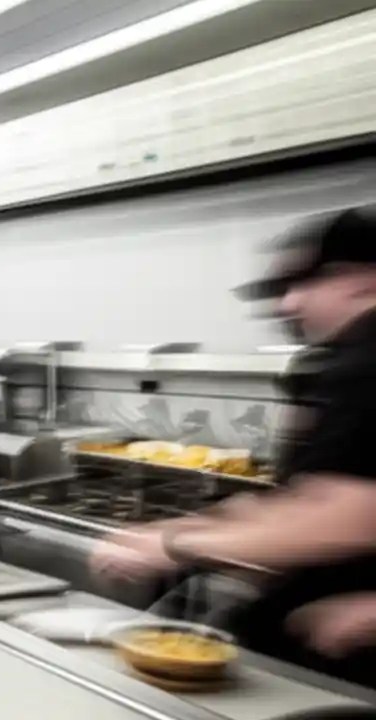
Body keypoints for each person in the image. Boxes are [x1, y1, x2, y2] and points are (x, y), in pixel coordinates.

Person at [90, 204, 376, 687]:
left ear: (364, 279)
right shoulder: (342, 361)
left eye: (309, 284)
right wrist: (192, 529)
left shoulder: (367, 364)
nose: (289, 305)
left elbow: (351, 514)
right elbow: (310, 497)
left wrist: (178, 544)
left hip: (345, 649)